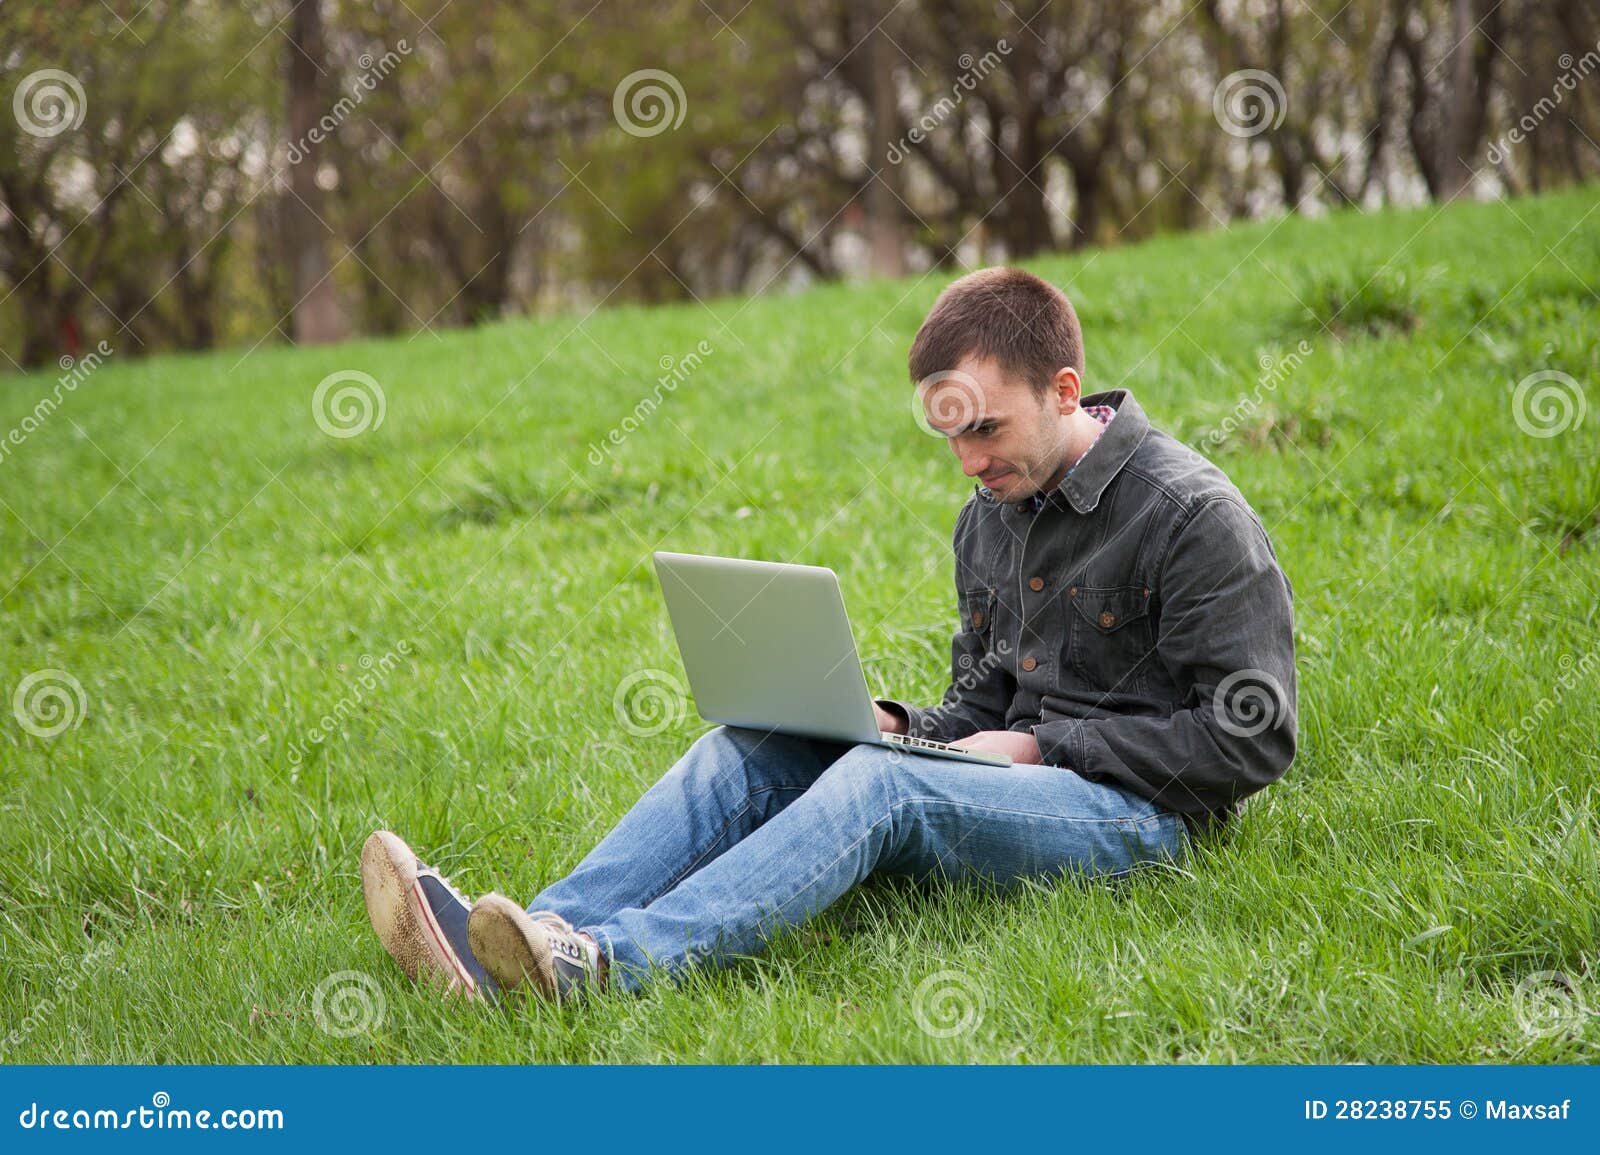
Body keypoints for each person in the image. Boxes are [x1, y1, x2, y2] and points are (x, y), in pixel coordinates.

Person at [360, 266, 1298, 1004]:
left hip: (1145, 814)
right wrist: (891, 720)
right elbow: (981, 701)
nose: (969, 461)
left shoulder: (1189, 514)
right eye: (950, 436)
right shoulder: (990, 512)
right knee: (757, 742)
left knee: (884, 788)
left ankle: (605, 968)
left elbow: (1252, 737)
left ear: (1064, 388)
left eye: (988, 429)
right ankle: (525, 938)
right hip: (1022, 781)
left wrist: (1046, 742)